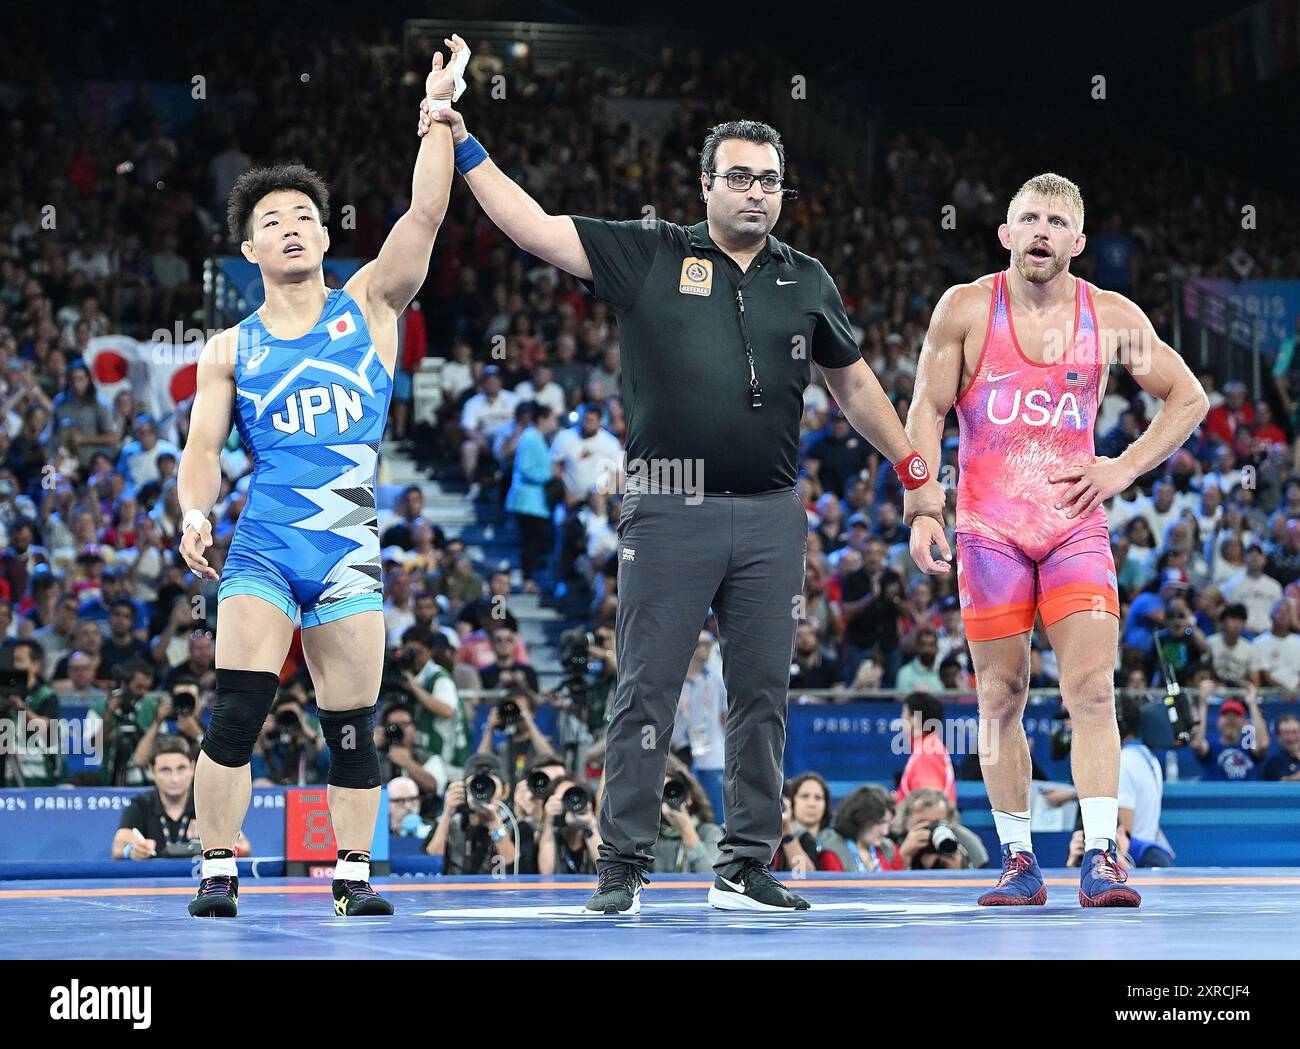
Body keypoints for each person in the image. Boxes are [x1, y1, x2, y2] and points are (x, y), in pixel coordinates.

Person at [420, 99, 946, 914]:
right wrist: (463, 140)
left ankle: (742, 864)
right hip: (669, 504)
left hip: (772, 510)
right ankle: (622, 867)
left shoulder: (805, 277)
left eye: (770, 181)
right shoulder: (650, 252)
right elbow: (531, 226)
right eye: (738, 177)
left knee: (763, 690)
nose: (756, 193)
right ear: (704, 186)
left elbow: (852, 385)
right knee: (647, 689)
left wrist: (914, 467)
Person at [175, 37, 461, 917]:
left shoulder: (370, 303)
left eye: (305, 214)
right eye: (273, 220)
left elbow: (423, 217)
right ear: (249, 249)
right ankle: (218, 865)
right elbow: (201, 450)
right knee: (235, 714)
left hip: (348, 552)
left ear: (326, 232)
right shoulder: (230, 348)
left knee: (352, 727)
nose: (293, 224)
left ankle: (350, 875)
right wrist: (193, 512)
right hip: (262, 546)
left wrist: (437, 113)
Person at [906, 172, 1208, 907]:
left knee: (1092, 692)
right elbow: (926, 405)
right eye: (1028, 218)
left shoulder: (1108, 315)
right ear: (1006, 233)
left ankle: (1103, 854)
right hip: (990, 531)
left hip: (1074, 525)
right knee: (1001, 694)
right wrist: (923, 504)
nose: (1041, 231)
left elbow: (1189, 396)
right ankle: (1017, 861)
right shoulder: (967, 307)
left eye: (1056, 222)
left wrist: (1125, 466)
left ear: (1079, 241)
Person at [112, 737, 251, 860]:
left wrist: (221, 852)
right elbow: (118, 846)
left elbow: (244, 847)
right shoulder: (141, 805)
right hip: (155, 884)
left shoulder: (207, 804)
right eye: (166, 770)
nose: (175, 778)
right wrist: (131, 850)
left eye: (181, 768)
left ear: (192, 768)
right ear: (152, 771)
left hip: (201, 881)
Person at [671, 630, 727, 820]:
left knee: (716, 812)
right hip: (679, 755)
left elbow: (724, 716)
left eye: (710, 644)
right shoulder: (674, 681)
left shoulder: (716, 679)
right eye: (703, 644)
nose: (708, 649)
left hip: (712, 757)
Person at [1191, 681, 1270, 781]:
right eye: (1226, 715)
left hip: (1246, 795)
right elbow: (1197, 744)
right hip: (1218, 795)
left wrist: (1252, 703)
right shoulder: (1210, 748)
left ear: (1245, 723)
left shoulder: (1249, 748)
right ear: (1218, 722)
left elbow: (1263, 744)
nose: (1231, 719)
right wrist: (1203, 703)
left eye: (1236, 715)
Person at [896, 691, 956, 804]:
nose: (901, 718)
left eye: (904, 713)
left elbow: (930, 807)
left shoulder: (927, 754)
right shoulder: (928, 748)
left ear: (914, 720)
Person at [1262, 712, 1300, 782]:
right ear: (1278, 737)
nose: (1291, 738)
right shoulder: (1274, 762)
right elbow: (1279, 785)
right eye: (1286, 733)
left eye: (1295, 732)